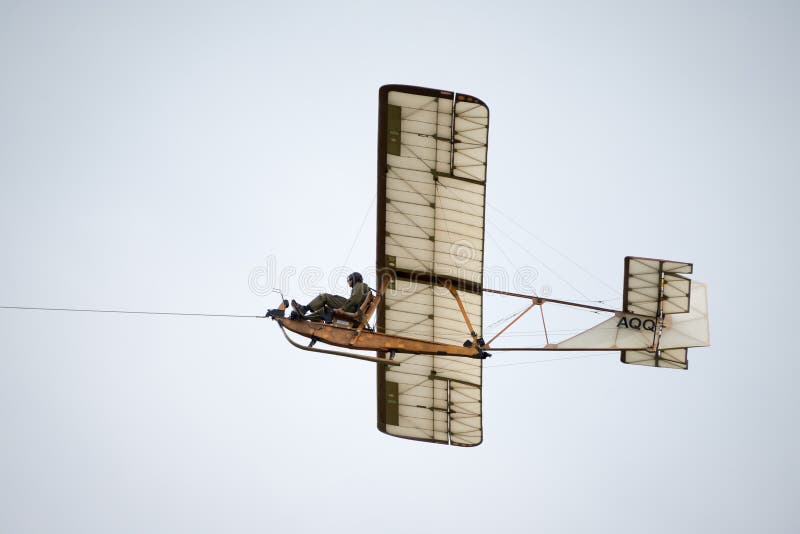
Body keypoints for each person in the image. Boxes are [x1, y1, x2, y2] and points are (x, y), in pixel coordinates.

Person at [291, 272, 370, 322]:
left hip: (352, 310)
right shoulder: (361, 287)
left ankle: (304, 309)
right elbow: (355, 299)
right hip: (354, 311)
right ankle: (303, 317)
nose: (348, 281)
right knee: (325, 310)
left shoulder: (360, 285)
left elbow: (355, 299)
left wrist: (342, 309)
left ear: (353, 279)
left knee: (324, 297)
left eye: (349, 279)